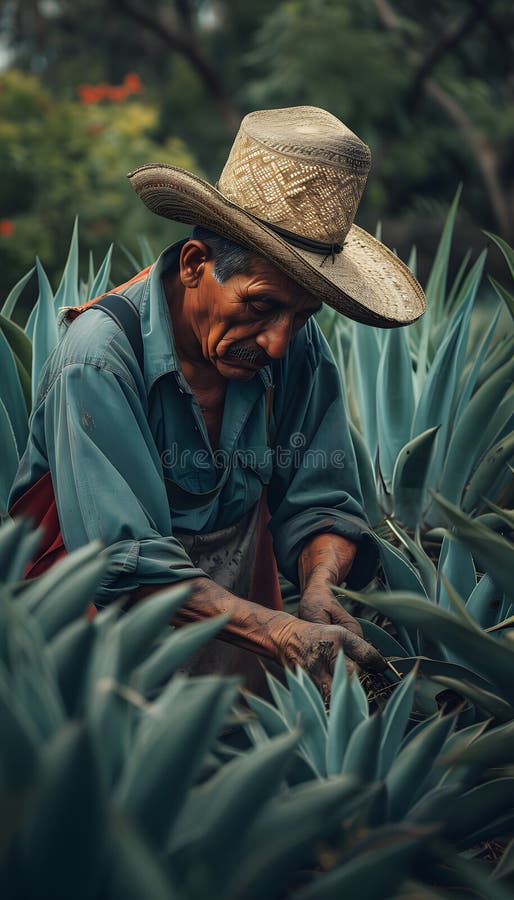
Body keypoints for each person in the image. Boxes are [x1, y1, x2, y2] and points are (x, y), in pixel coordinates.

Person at [9, 106, 425, 700]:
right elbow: (125, 560)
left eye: (302, 314)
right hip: (101, 669)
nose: (279, 341)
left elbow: (320, 497)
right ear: (196, 264)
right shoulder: (99, 358)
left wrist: (318, 586)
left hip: (240, 653)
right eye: (259, 306)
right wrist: (279, 629)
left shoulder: (290, 346)